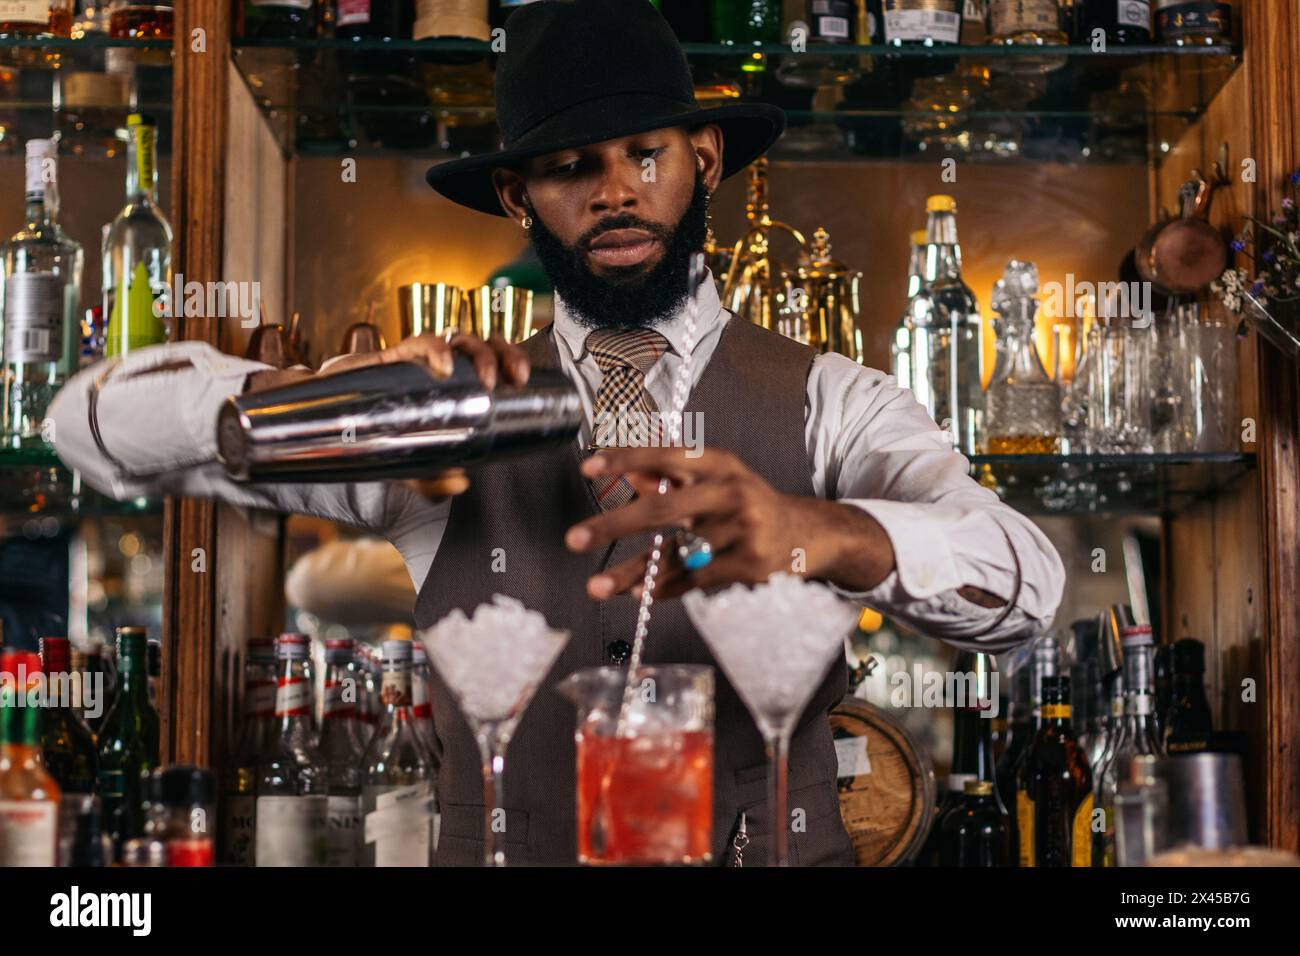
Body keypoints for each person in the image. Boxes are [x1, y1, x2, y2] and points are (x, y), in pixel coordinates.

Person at [49, 0, 1064, 865]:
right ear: (515, 194)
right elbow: (88, 424)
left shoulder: (836, 400)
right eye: (570, 165)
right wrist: (295, 405)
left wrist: (831, 532)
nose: (613, 189)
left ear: (704, 158)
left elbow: (1029, 587)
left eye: (646, 153)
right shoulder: (436, 420)